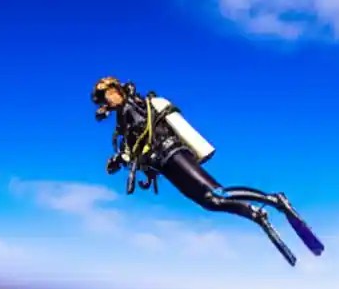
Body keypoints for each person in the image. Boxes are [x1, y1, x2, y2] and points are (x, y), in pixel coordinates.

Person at [91, 76, 324, 266]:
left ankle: (274, 199)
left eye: (109, 93)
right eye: (104, 98)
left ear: (118, 90)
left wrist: (120, 139)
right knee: (210, 202)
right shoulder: (122, 122)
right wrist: (118, 160)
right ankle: (255, 214)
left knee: (218, 193)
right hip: (164, 165)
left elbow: (141, 127)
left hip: (172, 153)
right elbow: (133, 148)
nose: (108, 99)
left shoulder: (135, 104)